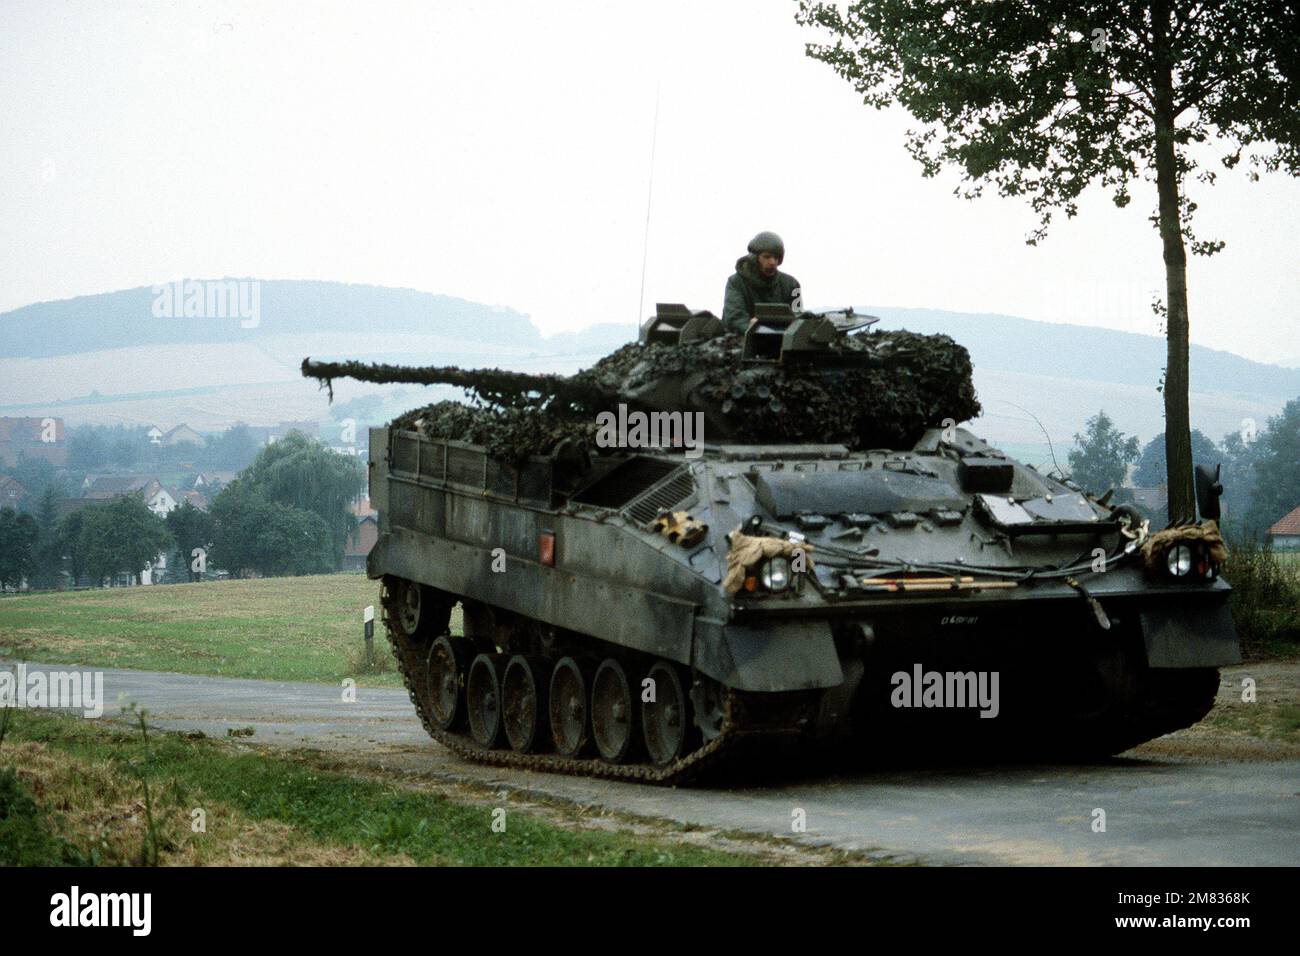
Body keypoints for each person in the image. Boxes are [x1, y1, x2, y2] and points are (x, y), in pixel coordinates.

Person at [721, 231, 801, 334]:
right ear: (755, 258)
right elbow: (735, 317)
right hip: (744, 340)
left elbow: (798, 316)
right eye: (767, 257)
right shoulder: (736, 282)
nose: (772, 262)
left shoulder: (792, 285)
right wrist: (753, 328)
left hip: (783, 340)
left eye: (776, 257)